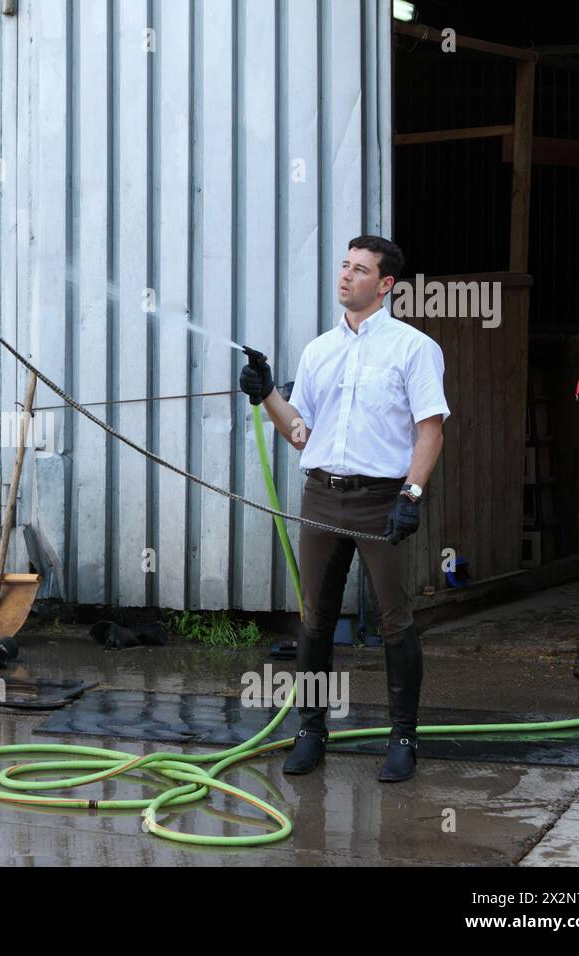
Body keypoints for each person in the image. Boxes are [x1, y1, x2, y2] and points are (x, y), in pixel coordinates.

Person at [239, 235, 449, 782]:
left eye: (360, 270)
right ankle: (311, 730)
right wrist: (266, 396)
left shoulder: (413, 348)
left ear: (385, 285)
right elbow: (301, 433)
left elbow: (431, 431)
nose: (346, 276)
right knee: (315, 620)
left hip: (383, 500)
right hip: (323, 497)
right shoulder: (319, 351)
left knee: (396, 622)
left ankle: (403, 737)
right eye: (344, 266)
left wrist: (413, 494)